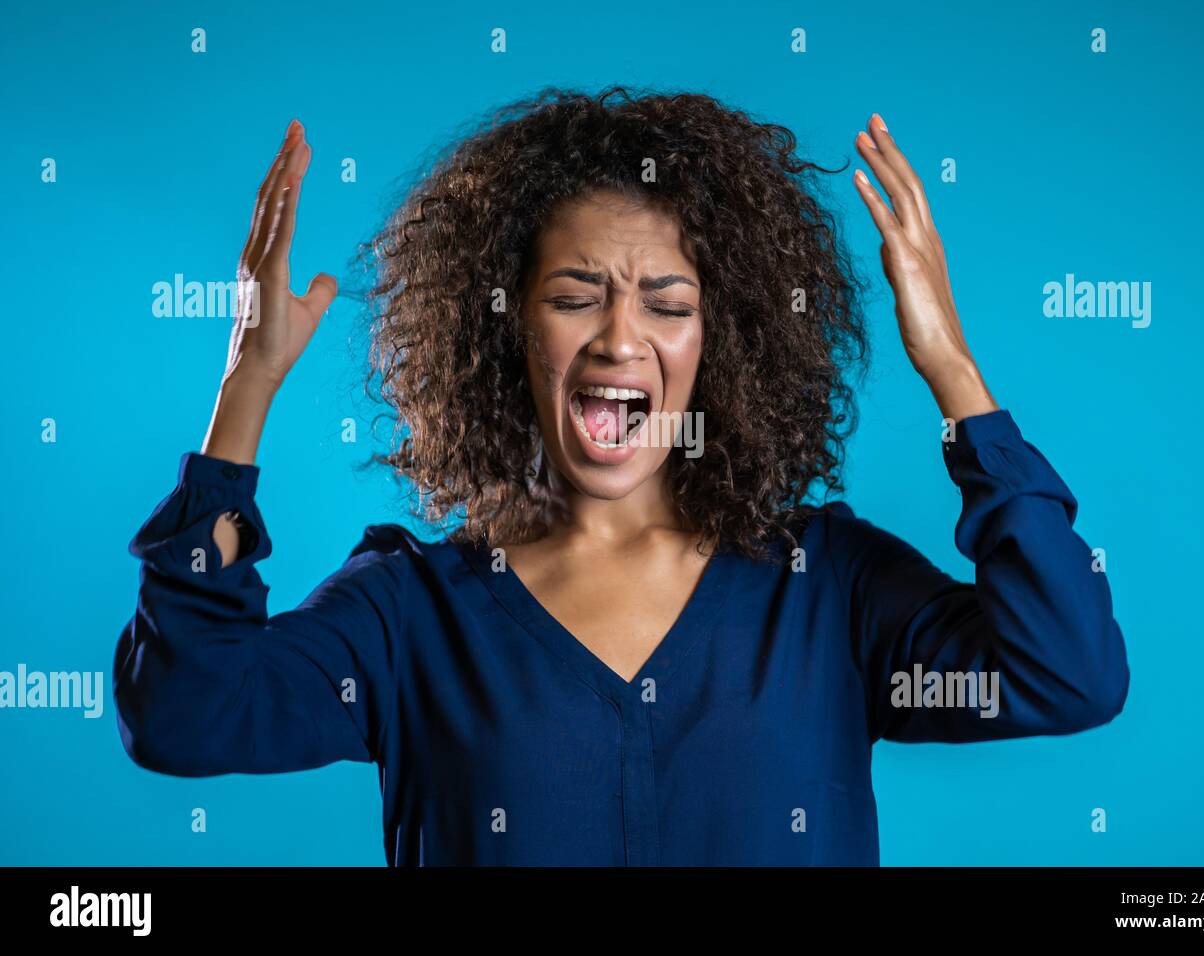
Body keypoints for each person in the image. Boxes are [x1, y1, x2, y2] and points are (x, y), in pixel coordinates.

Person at [114, 87, 1129, 865]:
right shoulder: (411, 614)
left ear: (721, 341)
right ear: (507, 331)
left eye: (667, 304)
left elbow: (1067, 674)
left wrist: (954, 372)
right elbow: (182, 714)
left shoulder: (829, 590)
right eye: (574, 297)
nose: (618, 337)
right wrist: (246, 389)